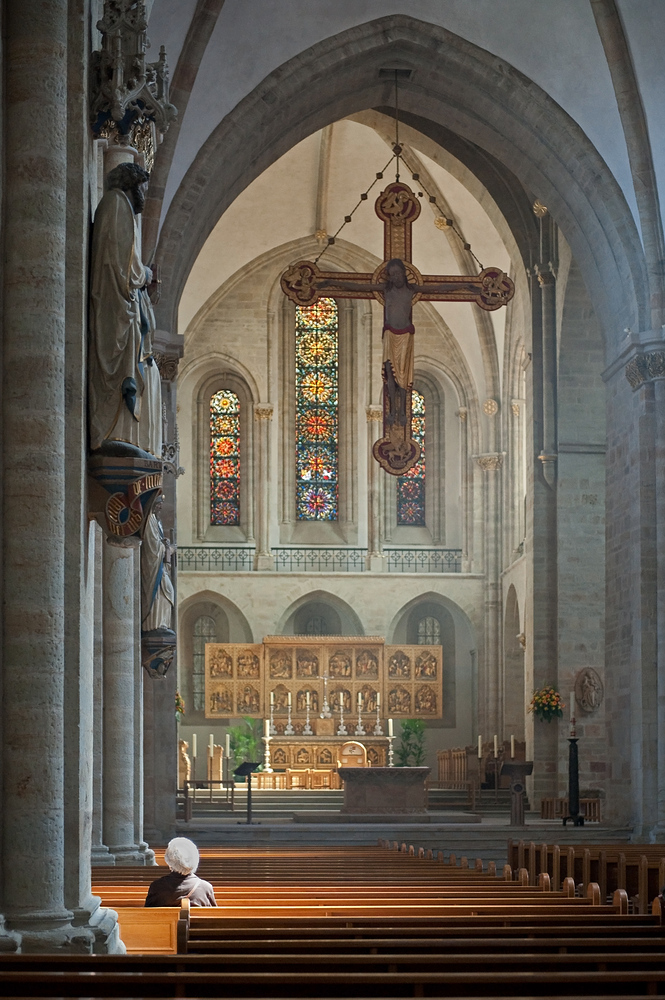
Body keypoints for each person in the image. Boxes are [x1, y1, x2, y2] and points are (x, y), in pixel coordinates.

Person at [320, 259, 469, 427]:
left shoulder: (412, 290)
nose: (396, 277)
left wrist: (465, 286)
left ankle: (403, 412)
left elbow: (439, 288)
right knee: (390, 373)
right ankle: (391, 411)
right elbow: (358, 287)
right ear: (389, 277)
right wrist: (332, 283)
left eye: (398, 273)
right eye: (392, 275)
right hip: (390, 333)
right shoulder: (386, 289)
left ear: (404, 273)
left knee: (404, 375)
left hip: (406, 334)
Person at [89, 161, 162, 454]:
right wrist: (146, 274)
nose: (145, 194)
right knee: (126, 371)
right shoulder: (117, 205)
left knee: (142, 371)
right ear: (131, 184)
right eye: (142, 187)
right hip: (117, 306)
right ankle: (118, 432)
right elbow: (125, 269)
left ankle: (126, 434)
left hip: (122, 304)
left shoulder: (118, 207)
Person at [144, 837, 217, 907]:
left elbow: (145, 915)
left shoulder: (156, 887)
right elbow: (214, 916)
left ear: (169, 861)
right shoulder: (205, 888)